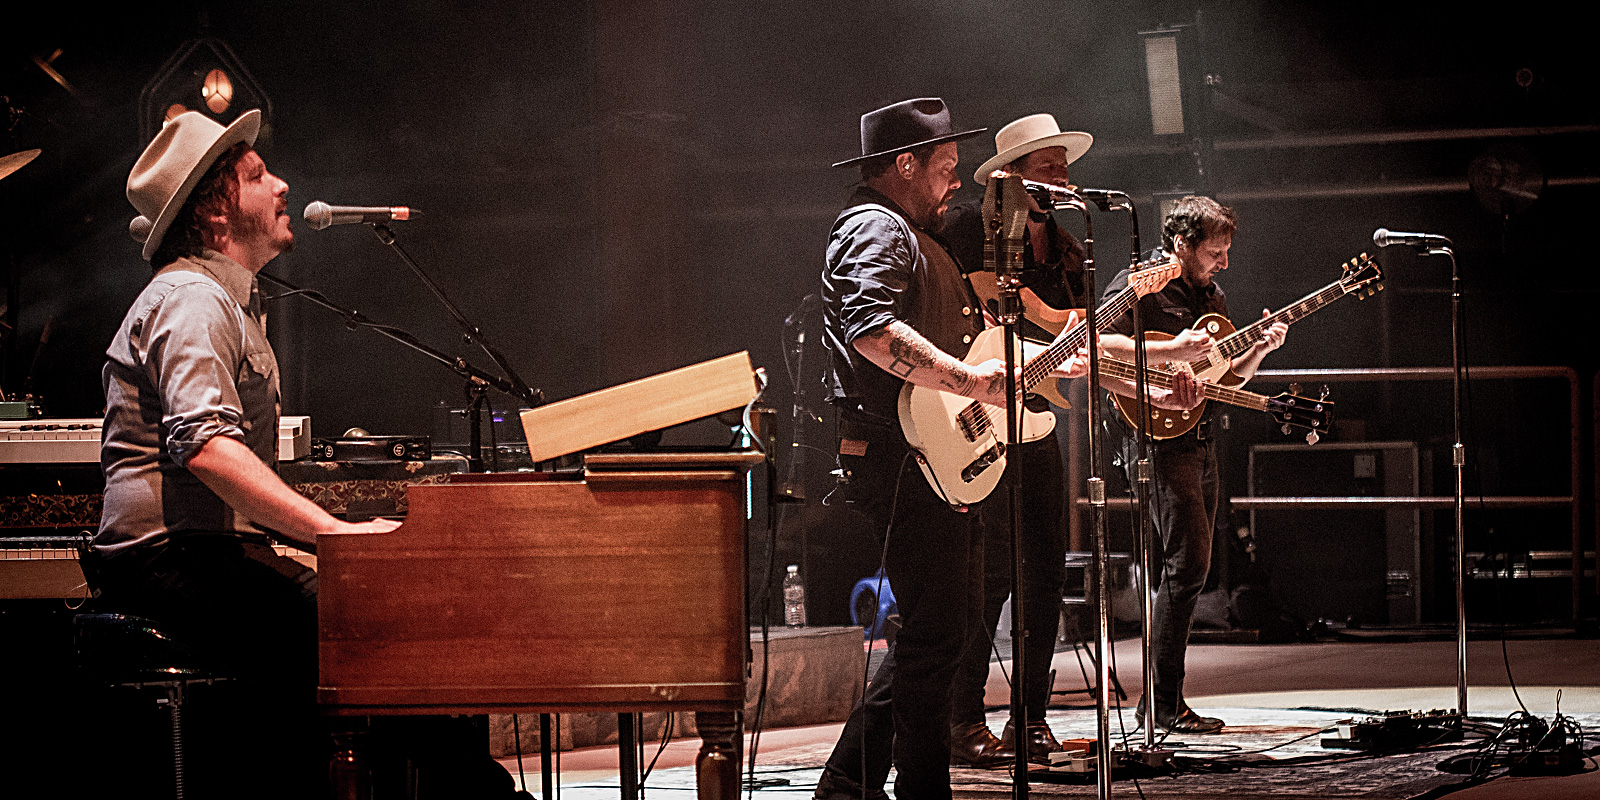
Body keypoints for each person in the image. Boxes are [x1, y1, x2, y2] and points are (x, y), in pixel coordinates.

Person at [84, 110, 513, 798]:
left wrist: (317, 548)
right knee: (368, 627)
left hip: (201, 556)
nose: (282, 185)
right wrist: (336, 537)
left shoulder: (224, 299)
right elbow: (208, 450)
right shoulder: (192, 299)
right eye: (257, 175)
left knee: (378, 616)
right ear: (216, 212)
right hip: (166, 562)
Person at [813, 97, 1090, 800]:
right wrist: (971, 379)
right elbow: (871, 330)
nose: (956, 184)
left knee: (944, 626)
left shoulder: (910, 232)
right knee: (941, 626)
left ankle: (853, 783)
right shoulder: (874, 229)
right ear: (905, 166)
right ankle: (894, 787)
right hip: (898, 459)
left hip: (929, 454)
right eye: (945, 169)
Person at [1099, 195, 1287, 734]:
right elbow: (1098, 345)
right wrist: (1167, 359)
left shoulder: (1213, 296)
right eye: (1215, 251)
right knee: (1187, 567)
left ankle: (1161, 702)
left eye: (1227, 252)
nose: (1224, 262)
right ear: (1181, 244)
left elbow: (1227, 380)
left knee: (1189, 568)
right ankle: (1160, 704)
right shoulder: (1144, 282)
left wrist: (1259, 350)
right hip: (1156, 441)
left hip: (1201, 438)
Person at [937, 113, 1093, 766]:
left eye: (1062, 166)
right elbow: (969, 306)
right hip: (976, 414)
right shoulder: (976, 225)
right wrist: (1052, 324)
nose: (1059, 177)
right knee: (990, 572)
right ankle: (963, 718)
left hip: (1038, 418)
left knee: (1043, 571)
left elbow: (1077, 338)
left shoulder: (1068, 250)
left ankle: (1029, 719)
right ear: (1012, 175)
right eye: (1046, 166)